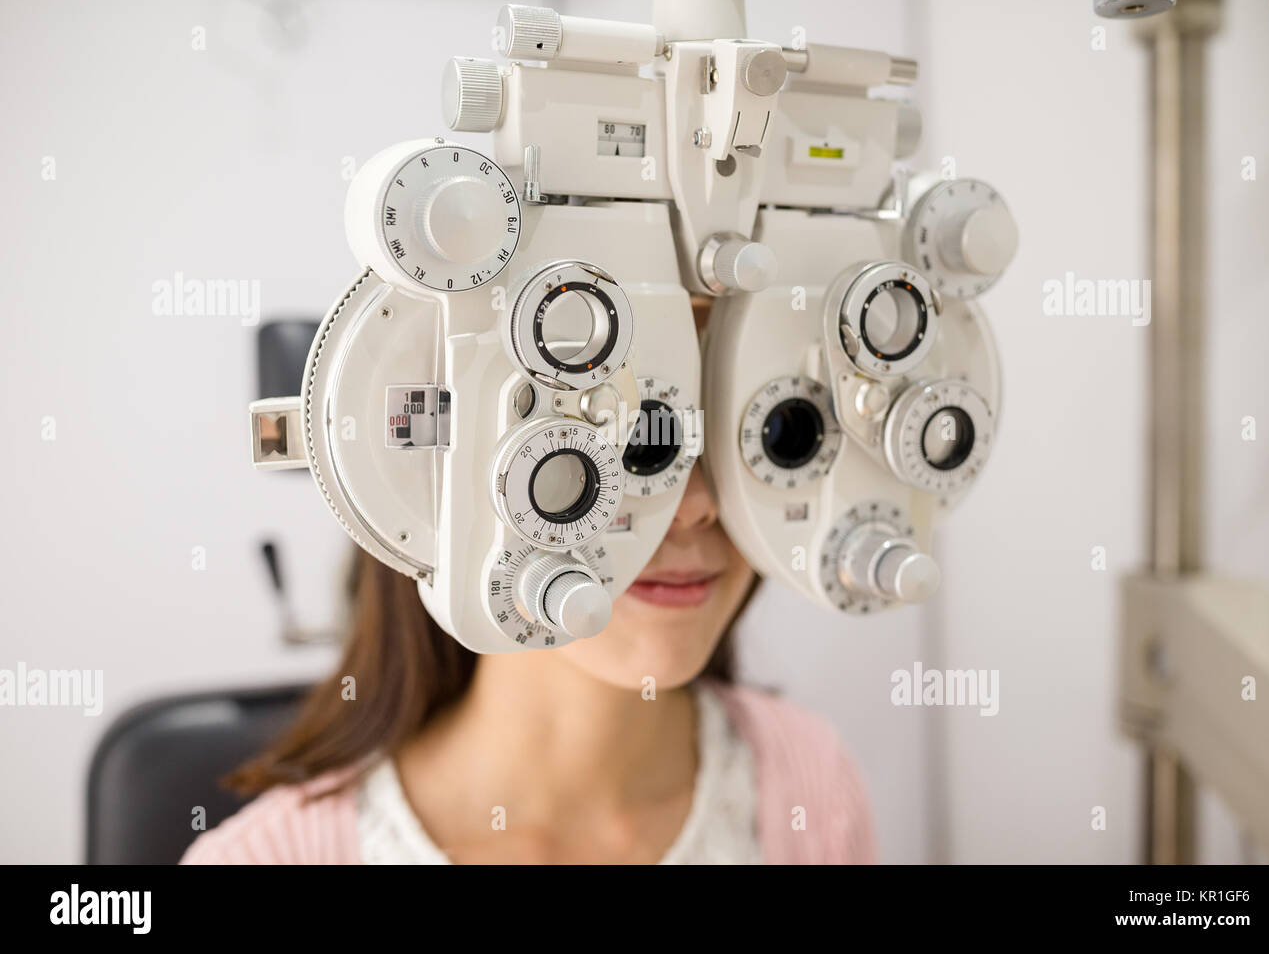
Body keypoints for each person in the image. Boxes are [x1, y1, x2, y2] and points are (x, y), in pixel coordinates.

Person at [183, 301, 875, 865]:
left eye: (754, 433)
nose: (697, 505)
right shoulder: (269, 859)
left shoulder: (806, 778)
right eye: (631, 439)